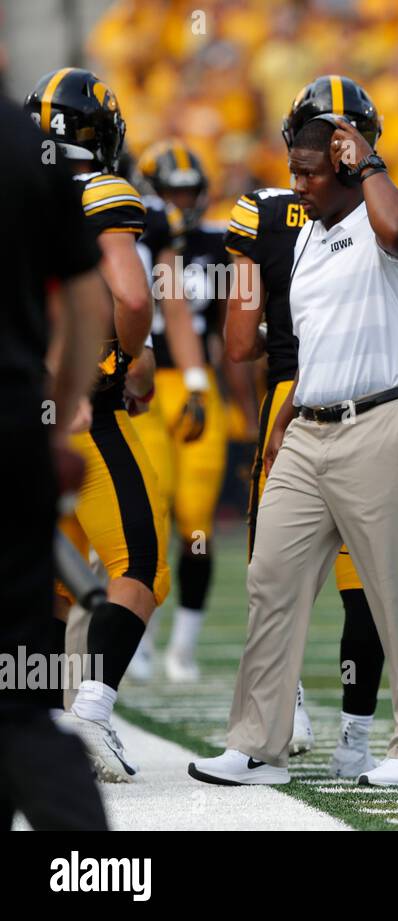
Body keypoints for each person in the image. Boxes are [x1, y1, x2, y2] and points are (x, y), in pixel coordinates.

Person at [190, 103, 398, 788]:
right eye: (292, 172)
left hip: (381, 422)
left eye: (308, 172)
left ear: (346, 160)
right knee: (270, 581)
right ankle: (258, 746)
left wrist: (370, 163)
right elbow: (315, 341)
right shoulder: (307, 237)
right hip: (307, 426)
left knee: (396, 594)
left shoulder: (395, 210)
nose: (297, 186)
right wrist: (286, 418)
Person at [26, 68, 171, 782]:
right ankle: (90, 708)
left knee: (53, 579)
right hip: (85, 408)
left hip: (24, 409)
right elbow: (130, 292)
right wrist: (128, 354)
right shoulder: (99, 190)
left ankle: (43, 723)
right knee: (142, 564)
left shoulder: (20, 189)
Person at [0, 91, 112, 830]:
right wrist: (59, 419)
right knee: (15, 703)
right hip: (10, 431)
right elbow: (86, 297)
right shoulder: (23, 143)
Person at [128, 140, 230, 683]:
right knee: (149, 508)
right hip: (142, 383)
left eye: (189, 192)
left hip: (196, 385)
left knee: (196, 520)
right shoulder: (128, 234)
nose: (181, 201)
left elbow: (226, 326)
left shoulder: (220, 243)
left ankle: (183, 644)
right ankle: (137, 635)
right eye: (171, 191)